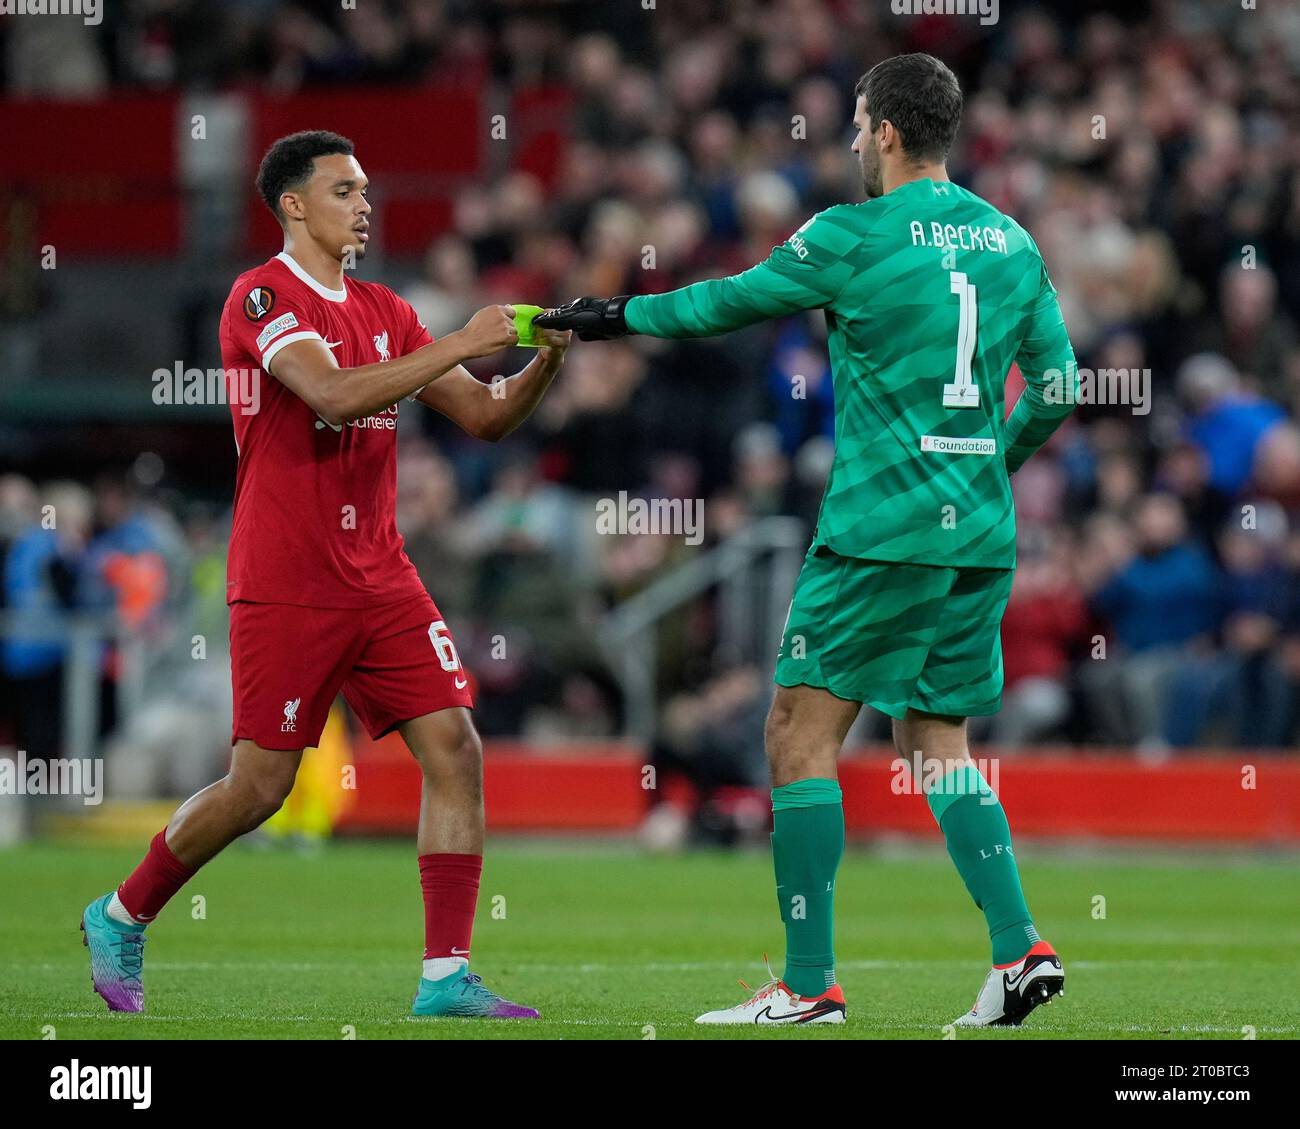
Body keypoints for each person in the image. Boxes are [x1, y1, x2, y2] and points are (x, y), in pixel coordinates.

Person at [537, 53, 1074, 1027]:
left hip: (879, 531)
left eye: (859, 125)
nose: (852, 141)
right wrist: (992, 460)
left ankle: (807, 981)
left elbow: (719, 304)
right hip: (979, 536)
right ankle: (1019, 949)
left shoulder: (850, 234)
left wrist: (609, 316)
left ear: (888, 136)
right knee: (936, 739)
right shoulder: (1012, 243)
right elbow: (1061, 387)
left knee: (795, 735)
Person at [80, 130, 570, 1020]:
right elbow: (337, 394)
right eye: (344, 190)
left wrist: (545, 362)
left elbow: (487, 419)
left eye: (368, 188)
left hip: (380, 573)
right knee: (259, 787)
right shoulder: (260, 296)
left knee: (455, 745)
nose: (365, 203)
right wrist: (462, 336)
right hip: (286, 576)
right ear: (294, 205)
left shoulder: (387, 307)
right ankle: (120, 911)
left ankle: (444, 975)